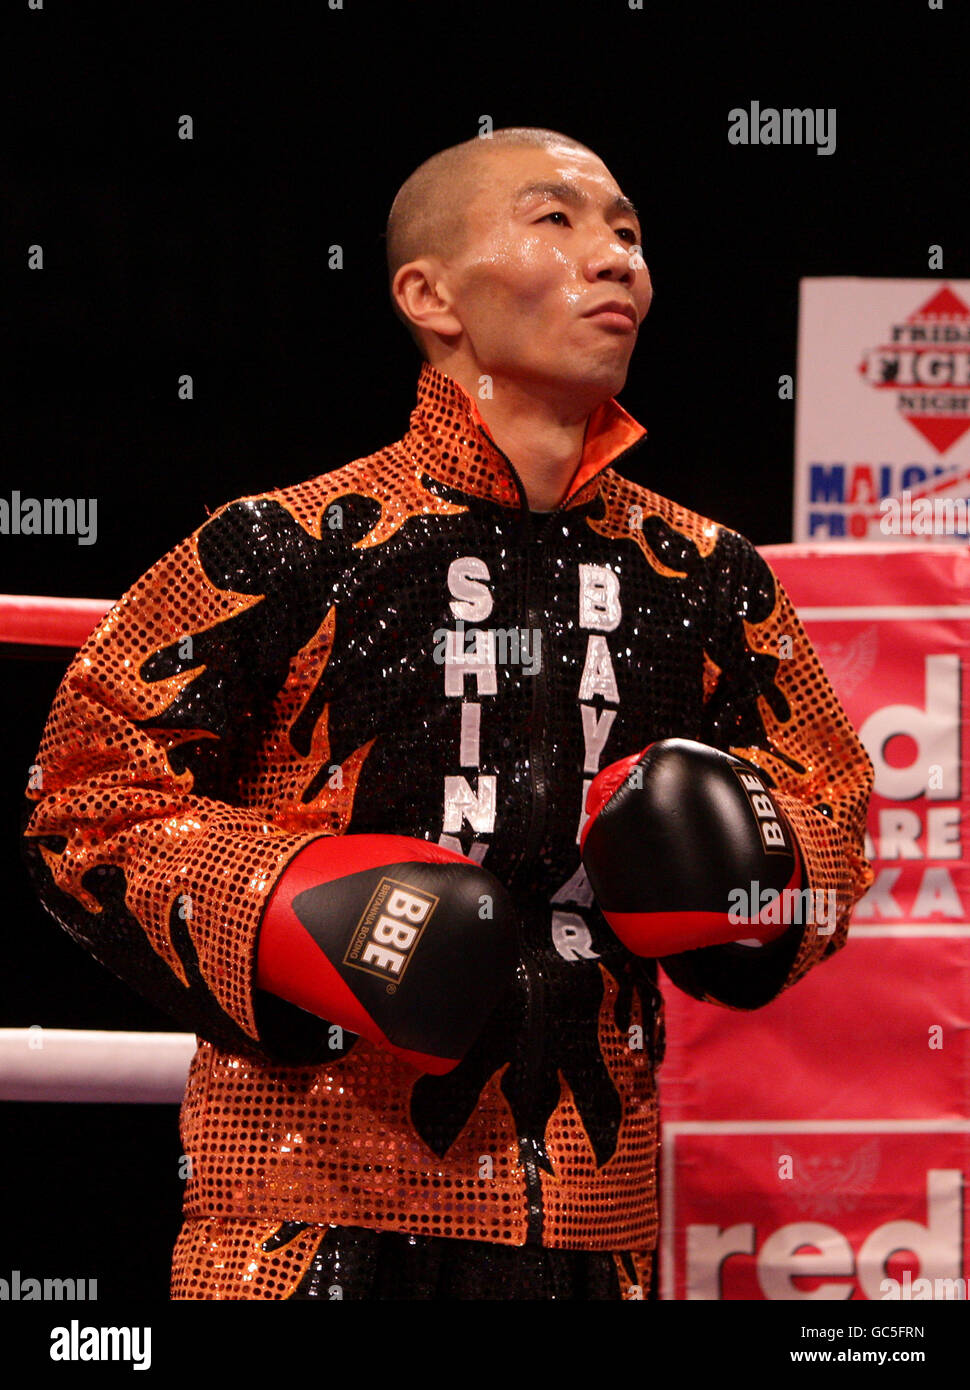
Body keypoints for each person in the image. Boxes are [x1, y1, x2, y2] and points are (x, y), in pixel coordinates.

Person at [21, 126, 874, 1301]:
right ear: (429, 296)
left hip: (594, 1217)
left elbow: (841, 816)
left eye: (627, 230)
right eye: (557, 222)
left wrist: (763, 851)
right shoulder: (281, 543)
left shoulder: (709, 574)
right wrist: (288, 907)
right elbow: (83, 798)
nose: (615, 258)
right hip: (302, 1213)